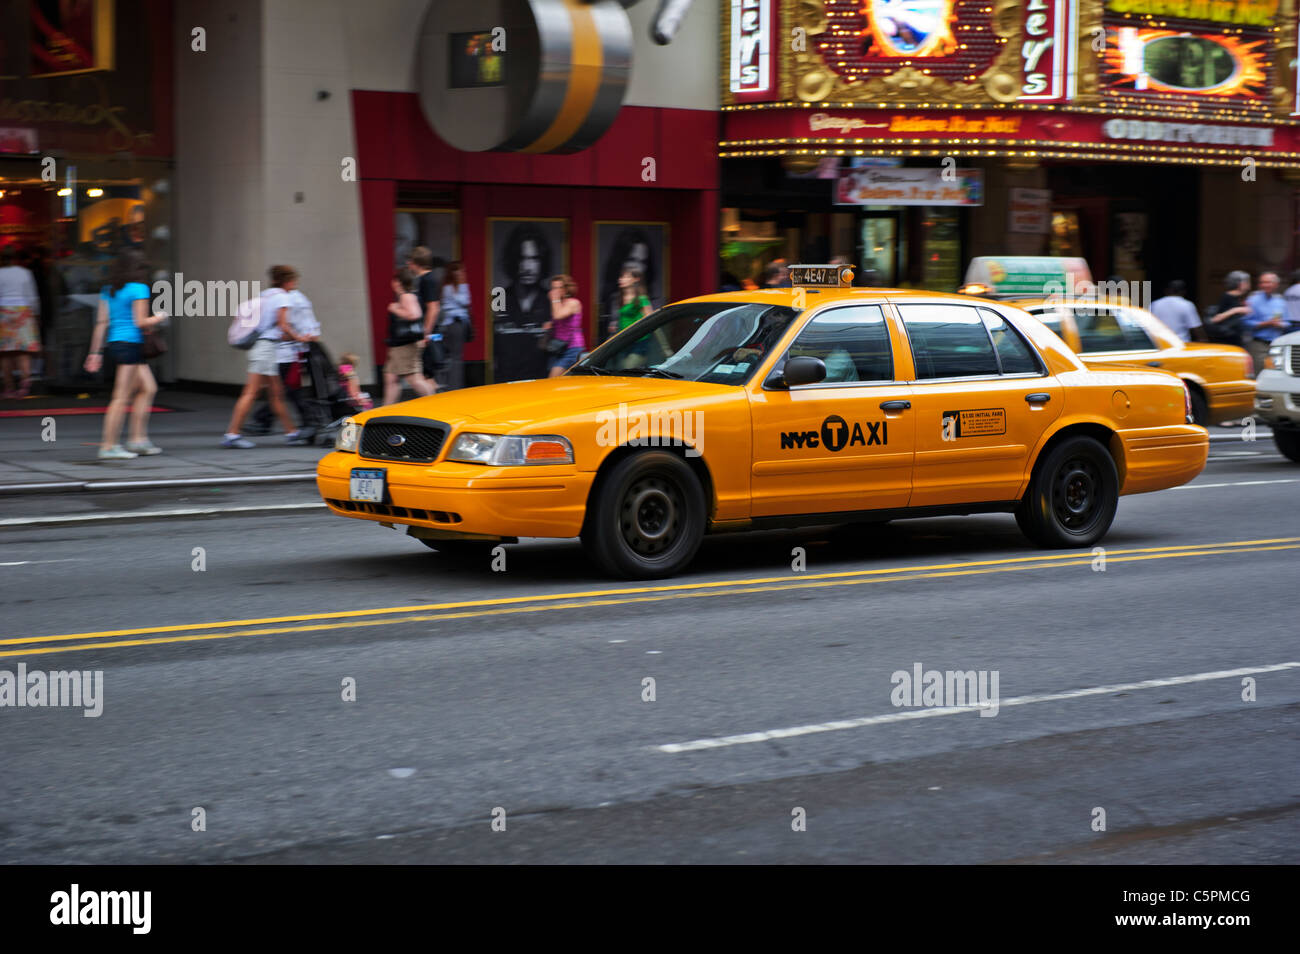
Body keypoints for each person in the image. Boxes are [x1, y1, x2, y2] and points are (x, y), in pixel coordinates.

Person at [83, 250, 166, 459]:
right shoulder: (139, 288)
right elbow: (140, 322)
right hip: (131, 345)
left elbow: (102, 323)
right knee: (120, 397)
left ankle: (137, 440)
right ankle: (109, 446)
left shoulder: (108, 289)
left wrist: (95, 352)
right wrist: (159, 317)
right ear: (138, 269)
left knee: (148, 387)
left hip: (116, 344)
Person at [221, 265, 309, 448]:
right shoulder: (282, 297)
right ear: (288, 281)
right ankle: (232, 435)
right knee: (251, 392)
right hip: (265, 349)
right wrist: (300, 338)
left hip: (264, 347)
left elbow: (273, 327)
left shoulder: (266, 295)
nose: (296, 284)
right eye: (295, 280)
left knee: (276, 394)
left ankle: (292, 432)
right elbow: (283, 325)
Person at [246, 279, 321, 436]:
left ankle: (266, 420)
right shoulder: (291, 297)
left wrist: (298, 337)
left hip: (286, 351)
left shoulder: (280, 297)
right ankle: (305, 421)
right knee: (285, 388)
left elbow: (286, 326)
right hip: (285, 351)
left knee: (286, 389)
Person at [382, 267, 435, 405]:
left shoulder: (407, 296)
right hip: (400, 345)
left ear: (398, 282)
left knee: (414, 378)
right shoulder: (407, 295)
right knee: (390, 377)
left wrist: (395, 309)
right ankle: (385, 411)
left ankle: (436, 402)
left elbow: (414, 314)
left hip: (405, 345)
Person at [0, 245, 42, 398]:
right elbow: (32, 296)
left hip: (3, 312)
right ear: (16, 258)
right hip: (23, 312)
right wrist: (36, 315)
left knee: (5, 353)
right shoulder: (25, 273)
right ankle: (25, 385)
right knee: (23, 351)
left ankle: (9, 388)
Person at [1242, 271, 1295, 374]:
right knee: (1260, 374)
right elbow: (1245, 323)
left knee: (1276, 374)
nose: (1264, 285)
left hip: (1277, 344)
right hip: (1258, 344)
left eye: (1268, 282)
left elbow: (1288, 322)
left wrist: (1281, 324)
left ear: (1276, 284)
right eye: (1262, 282)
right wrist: (1266, 324)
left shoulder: (1280, 301)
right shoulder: (1253, 300)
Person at [407, 247, 442, 383]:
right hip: (428, 332)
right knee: (427, 375)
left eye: (410, 261)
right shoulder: (426, 279)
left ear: (417, 262)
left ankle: (434, 401)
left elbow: (433, 307)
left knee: (426, 373)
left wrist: (425, 334)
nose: (408, 264)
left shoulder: (428, 280)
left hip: (428, 333)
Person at [544, 274, 585, 377]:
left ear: (566, 289)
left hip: (572, 348)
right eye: (554, 288)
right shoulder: (558, 303)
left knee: (553, 378)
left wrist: (555, 299)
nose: (556, 291)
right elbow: (558, 320)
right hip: (558, 348)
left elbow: (558, 315)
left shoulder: (573, 303)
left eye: (560, 287)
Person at [438, 261, 471, 390]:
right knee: (455, 356)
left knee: (456, 355)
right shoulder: (449, 287)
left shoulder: (461, 286)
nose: (462, 273)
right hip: (452, 323)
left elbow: (466, 301)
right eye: (459, 270)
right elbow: (463, 301)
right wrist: (459, 288)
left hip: (459, 322)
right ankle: (455, 386)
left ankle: (455, 384)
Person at [1206, 270, 1251, 345]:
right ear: (1241, 284)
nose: (1249, 285)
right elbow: (1216, 319)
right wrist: (1236, 310)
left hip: (1236, 339)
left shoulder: (1237, 298)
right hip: (1227, 341)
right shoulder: (1227, 297)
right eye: (1247, 282)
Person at [608, 266, 653, 338]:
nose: (621, 280)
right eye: (621, 277)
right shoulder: (619, 297)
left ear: (636, 279)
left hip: (638, 339)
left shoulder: (641, 298)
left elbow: (650, 319)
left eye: (626, 277)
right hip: (624, 338)